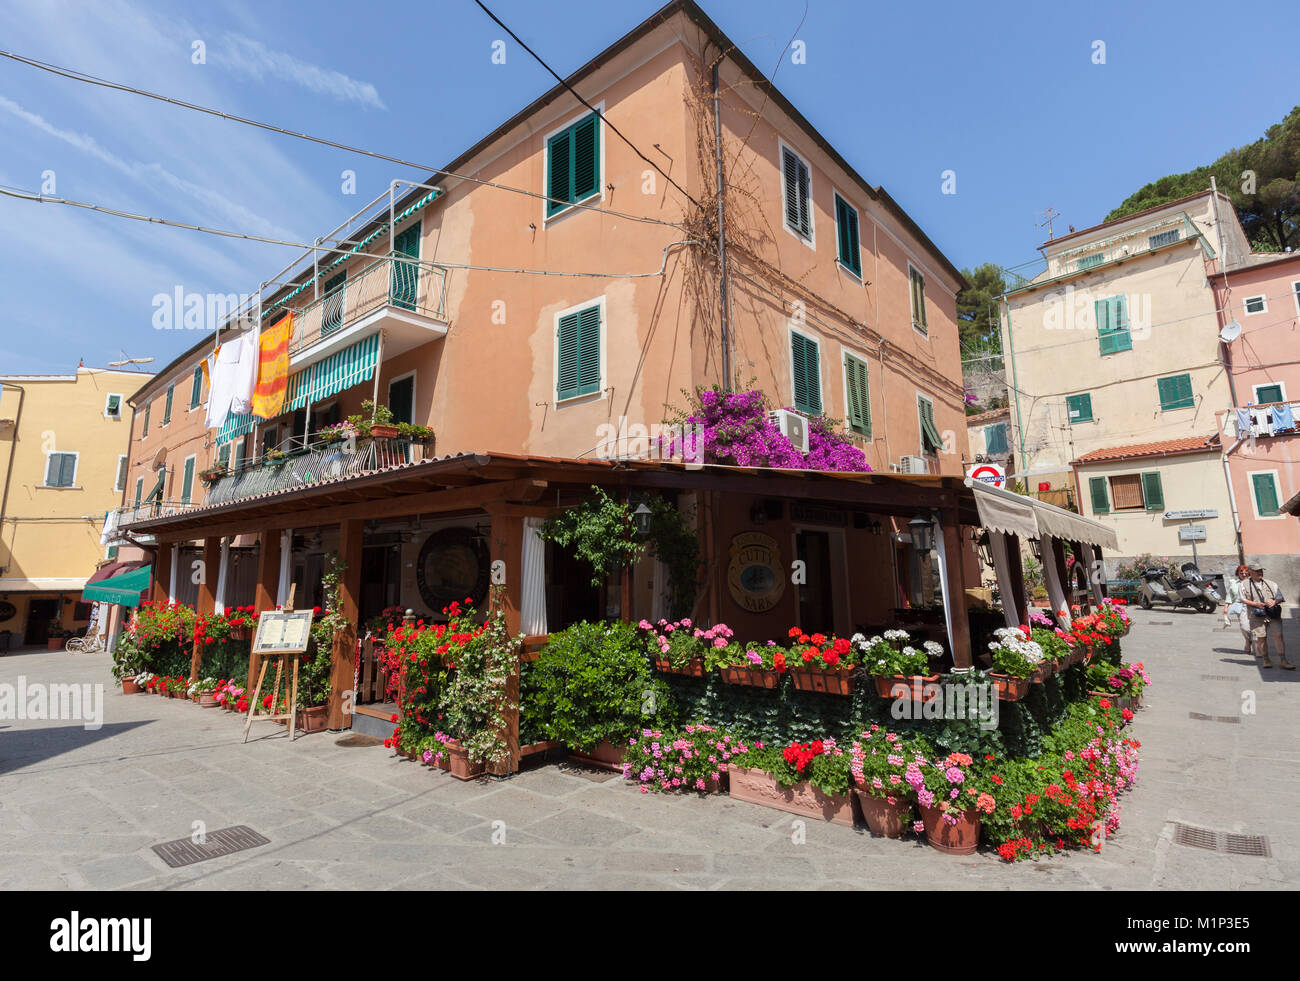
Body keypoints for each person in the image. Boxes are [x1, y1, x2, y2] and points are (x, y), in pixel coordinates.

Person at [1242, 566, 1291, 669]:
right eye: (1257, 571)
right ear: (1250, 572)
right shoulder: (1244, 584)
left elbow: (1280, 597)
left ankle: (1283, 660)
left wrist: (1275, 601)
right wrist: (1255, 603)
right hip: (1256, 615)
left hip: (1273, 614)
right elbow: (1242, 599)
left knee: (1278, 634)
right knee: (1261, 637)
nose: (1260, 572)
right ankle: (1266, 659)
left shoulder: (1271, 583)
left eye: (1261, 571)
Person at [1222, 565, 1253, 656]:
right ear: (1237, 573)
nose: (1244, 574)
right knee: (1244, 626)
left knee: (1254, 627)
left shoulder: (1252, 582)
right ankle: (1248, 641)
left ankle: (1255, 644)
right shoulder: (1233, 582)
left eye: (1245, 572)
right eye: (1241, 572)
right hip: (1239, 607)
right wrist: (1226, 607)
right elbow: (1230, 595)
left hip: (1253, 606)